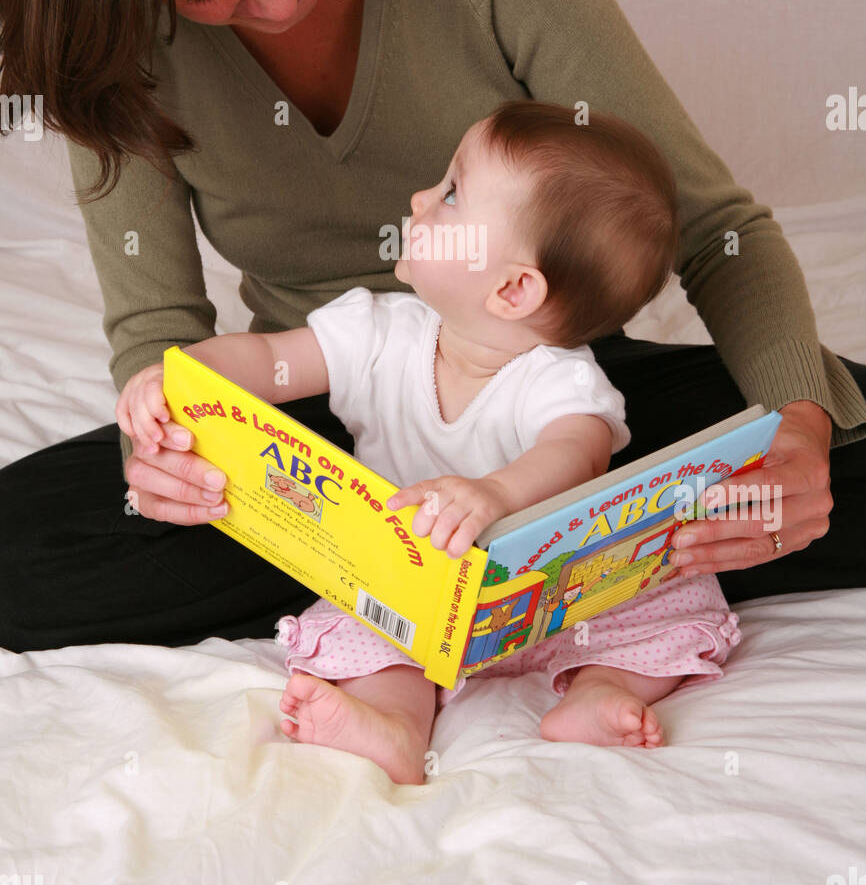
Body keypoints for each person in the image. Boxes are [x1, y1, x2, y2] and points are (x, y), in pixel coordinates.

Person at [0, 0, 864, 655]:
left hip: (535, 390)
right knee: (20, 555)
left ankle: (535, 564)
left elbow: (712, 228)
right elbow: (160, 335)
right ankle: (519, 581)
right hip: (325, 419)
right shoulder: (107, 38)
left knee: (838, 449)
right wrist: (163, 446)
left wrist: (795, 432)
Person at [117, 102, 743, 785]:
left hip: (549, 602)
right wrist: (183, 375)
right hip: (415, 594)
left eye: (450, 193)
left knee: (671, 598)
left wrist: (493, 494)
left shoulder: (557, 377)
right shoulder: (379, 332)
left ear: (511, 288)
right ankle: (394, 726)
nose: (419, 198)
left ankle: (599, 691)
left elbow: (577, 450)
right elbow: (268, 359)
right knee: (365, 626)